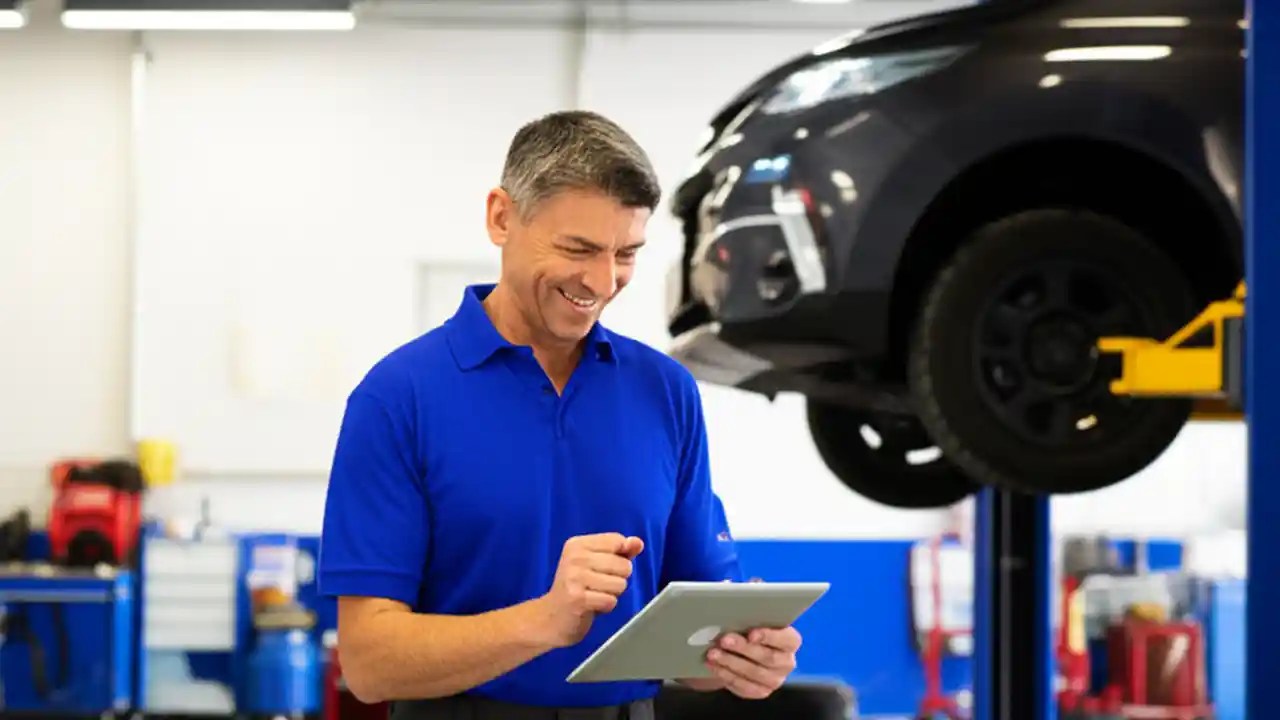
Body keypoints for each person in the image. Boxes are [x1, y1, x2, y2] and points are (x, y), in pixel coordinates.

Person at [318, 110, 803, 720]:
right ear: (501, 217)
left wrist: (742, 656)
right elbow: (368, 664)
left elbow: (692, 647)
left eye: (626, 253)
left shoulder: (666, 392)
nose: (602, 282)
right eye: (578, 249)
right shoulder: (398, 398)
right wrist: (543, 621)